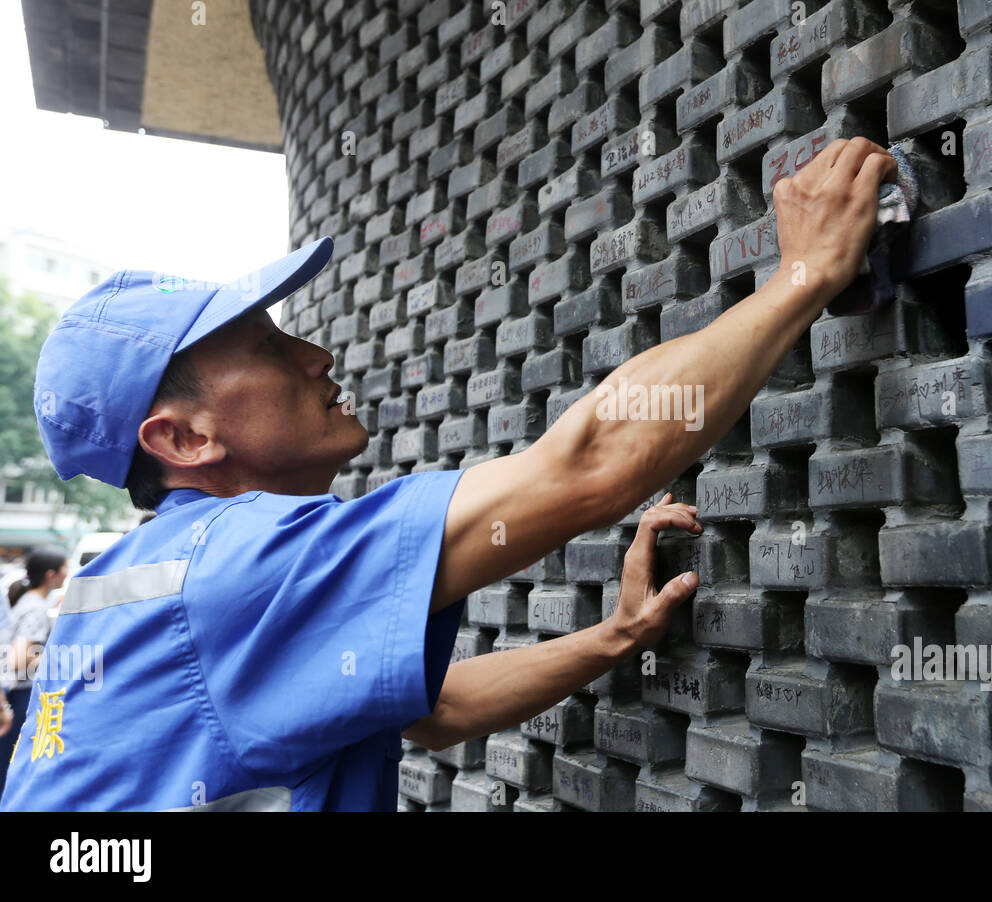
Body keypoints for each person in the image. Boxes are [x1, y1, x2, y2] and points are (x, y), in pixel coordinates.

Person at [0, 137, 896, 810]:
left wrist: (612, 639)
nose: (316, 355)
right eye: (270, 347)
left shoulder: (130, 580)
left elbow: (429, 711)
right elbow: (589, 464)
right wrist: (806, 273)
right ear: (184, 441)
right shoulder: (230, 569)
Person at [0, 546, 68, 797]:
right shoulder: (36, 608)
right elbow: (18, 659)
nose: (67, 573)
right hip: (18, 696)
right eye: (64, 569)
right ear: (51, 575)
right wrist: (55, 656)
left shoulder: (26, 600)